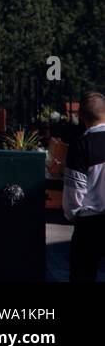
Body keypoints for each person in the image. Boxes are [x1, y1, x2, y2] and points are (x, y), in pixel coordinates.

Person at [63, 90, 105, 282]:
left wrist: (73, 214)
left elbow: (75, 192)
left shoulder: (81, 146)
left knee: (82, 276)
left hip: (90, 223)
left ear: (81, 117)